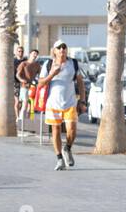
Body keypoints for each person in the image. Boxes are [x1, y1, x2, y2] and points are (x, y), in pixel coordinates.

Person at [36, 41, 85, 171]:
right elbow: (40, 84)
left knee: (72, 130)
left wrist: (82, 101)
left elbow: (80, 83)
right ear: (55, 51)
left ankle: (67, 148)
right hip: (53, 103)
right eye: (59, 47)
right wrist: (52, 74)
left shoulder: (73, 63)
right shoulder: (48, 64)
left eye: (64, 47)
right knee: (56, 130)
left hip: (70, 102)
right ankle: (59, 159)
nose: (62, 49)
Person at [16, 49, 42, 124]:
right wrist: (22, 80)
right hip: (24, 86)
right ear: (30, 54)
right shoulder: (24, 64)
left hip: (33, 87)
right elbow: (17, 75)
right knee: (25, 102)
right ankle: (20, 120)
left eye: (36, 54)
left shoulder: (37, 65)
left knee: (31, 105)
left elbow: (40, 75)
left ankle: (29, 122)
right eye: (34, 53)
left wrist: (39, 81)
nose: (35, 55)